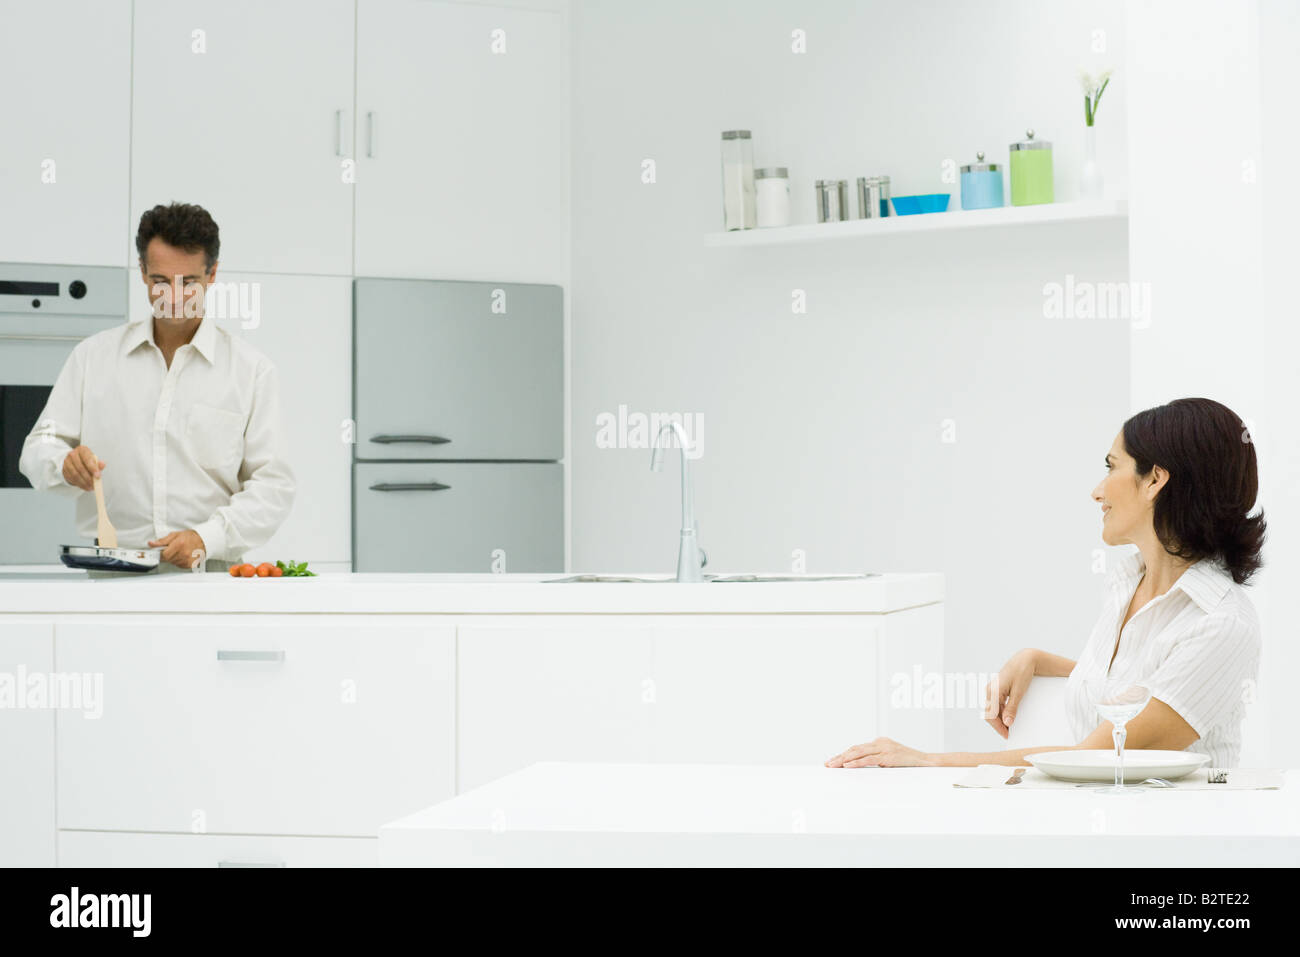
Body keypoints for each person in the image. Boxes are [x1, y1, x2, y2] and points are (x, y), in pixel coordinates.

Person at [826, 397, 1264, 769]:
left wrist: (930, 762)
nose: (1097, 491)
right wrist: (1038, 658)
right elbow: (1136, 685)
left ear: (1155, 480)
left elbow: (1101, 757)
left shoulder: (1222, 623)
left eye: (1111, 467)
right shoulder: (1131, 583)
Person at [18, 202, 294, 572]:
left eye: (189, 282)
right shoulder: (92, 358)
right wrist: (62, 464)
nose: (174, 297)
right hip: (110, 575)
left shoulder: (252, 371)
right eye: (161, 281)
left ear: (212, 274)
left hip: (210, 577)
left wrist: (205, 538)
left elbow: (273, 487)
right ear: (143, 273)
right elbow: (37, 448)